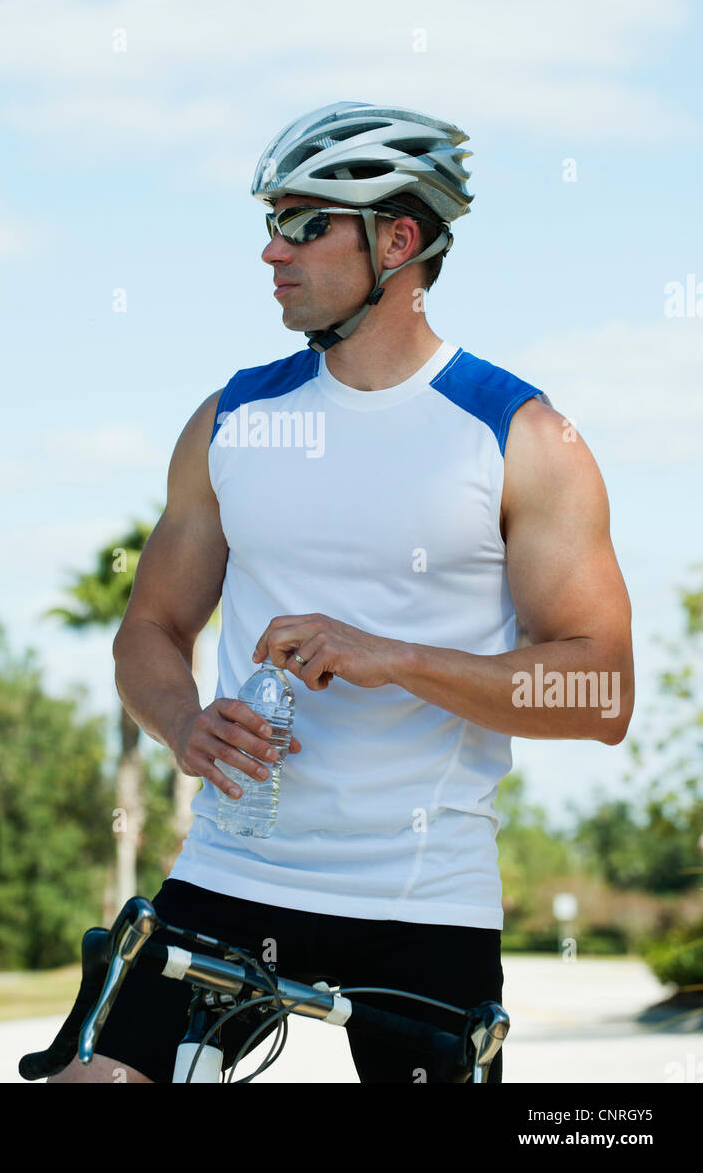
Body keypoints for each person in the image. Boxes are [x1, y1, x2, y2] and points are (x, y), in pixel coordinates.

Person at [49, 100, 634, 1084]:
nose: (273, 252)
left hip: (424, 900)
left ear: (398, 241)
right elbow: (147, 628)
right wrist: (184, 722)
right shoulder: (230, 420)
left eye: (305, 224)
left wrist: (394, 658)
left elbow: (602, 696)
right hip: (232, 875)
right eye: (269, 223)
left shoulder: (522, 438)